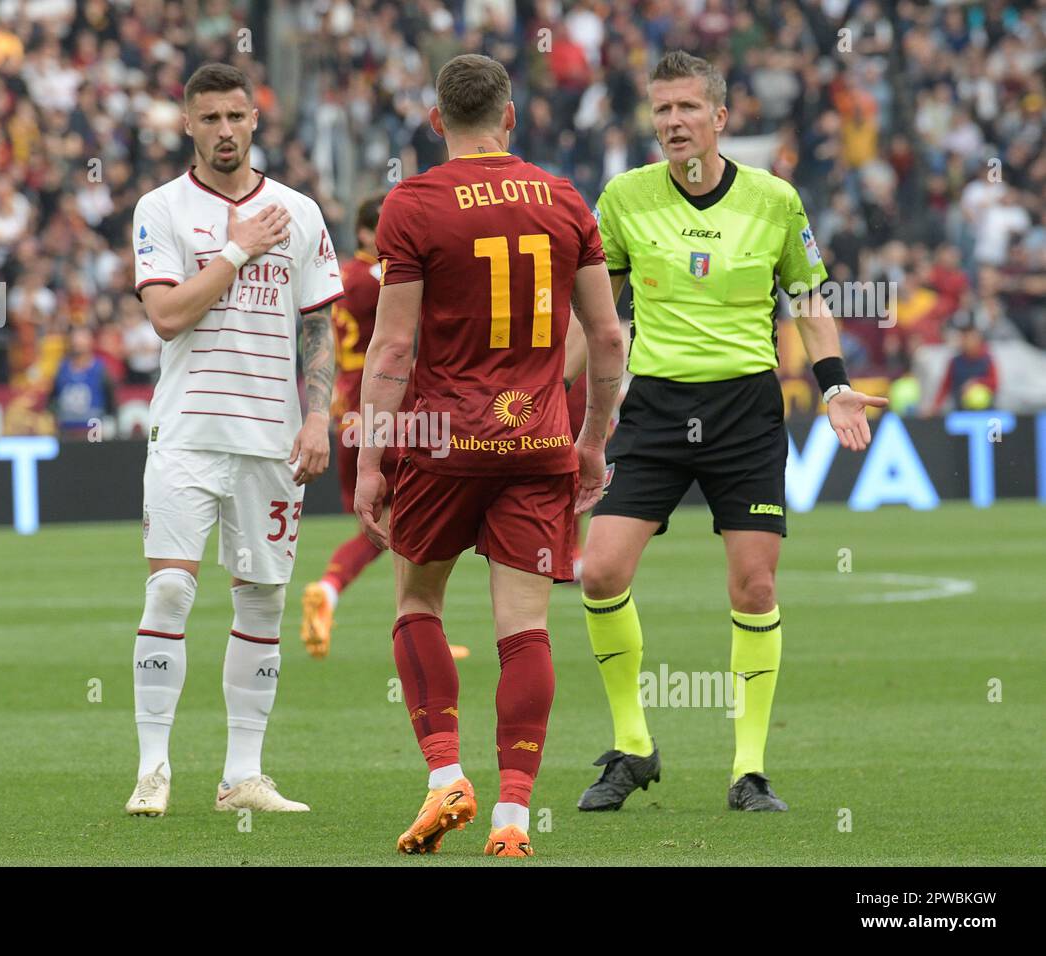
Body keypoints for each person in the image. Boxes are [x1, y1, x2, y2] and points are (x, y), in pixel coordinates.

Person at [572, 51, 886, 815]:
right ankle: (633, 746)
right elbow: (597, 313)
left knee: (754, 584)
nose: (673, 122)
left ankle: (748, 771)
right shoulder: (622, 198)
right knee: (599, 572)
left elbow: (809, 302)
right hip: (654, 408)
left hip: (745, 410)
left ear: (721, 118)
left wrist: (836, 385)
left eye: (687, 108)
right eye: (662, 109)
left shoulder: (777, 200)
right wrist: (547, 391)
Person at [355, 54, 624, 857]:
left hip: (441, 443)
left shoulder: (411, 204)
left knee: (416, 605)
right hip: (538, 441)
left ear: (436, 122)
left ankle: (446, 778)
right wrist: (593, 442)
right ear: (511, 118)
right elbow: (608, 336)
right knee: (525, 631)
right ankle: (512, 821)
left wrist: (372, 460)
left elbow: (393, 347)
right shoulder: (564, 198)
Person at [125, 62, 342, 817]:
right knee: (172, 586)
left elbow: (318, 324)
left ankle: (241, 776)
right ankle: (153, 768)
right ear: (188, 124)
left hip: (271, 438)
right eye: (210, 118)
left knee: (262, 602)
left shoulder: (299, 211)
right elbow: (169, 316)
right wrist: (240, 249)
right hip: (187, 429)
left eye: (236, 117)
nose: (225, 131)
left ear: (256, 121)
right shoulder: (160, 208)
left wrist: (318, 416)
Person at [297, 194, 468, 660]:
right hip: (383, 410)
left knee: (389, 523)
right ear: (369, 233)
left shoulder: (339, 278)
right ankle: (417, 631)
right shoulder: (378, 277)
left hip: (347, 411)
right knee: (416, 517)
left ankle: (348, 599)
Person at [47, 326, 116, 438]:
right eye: (75, 338)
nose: (78, 342)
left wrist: (108, 422)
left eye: (82, 338)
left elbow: (110, 399)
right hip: (66, 430)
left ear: (91, 342)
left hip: (93, 430)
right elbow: (53, 398)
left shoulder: (100, 369)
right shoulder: (62, 368)